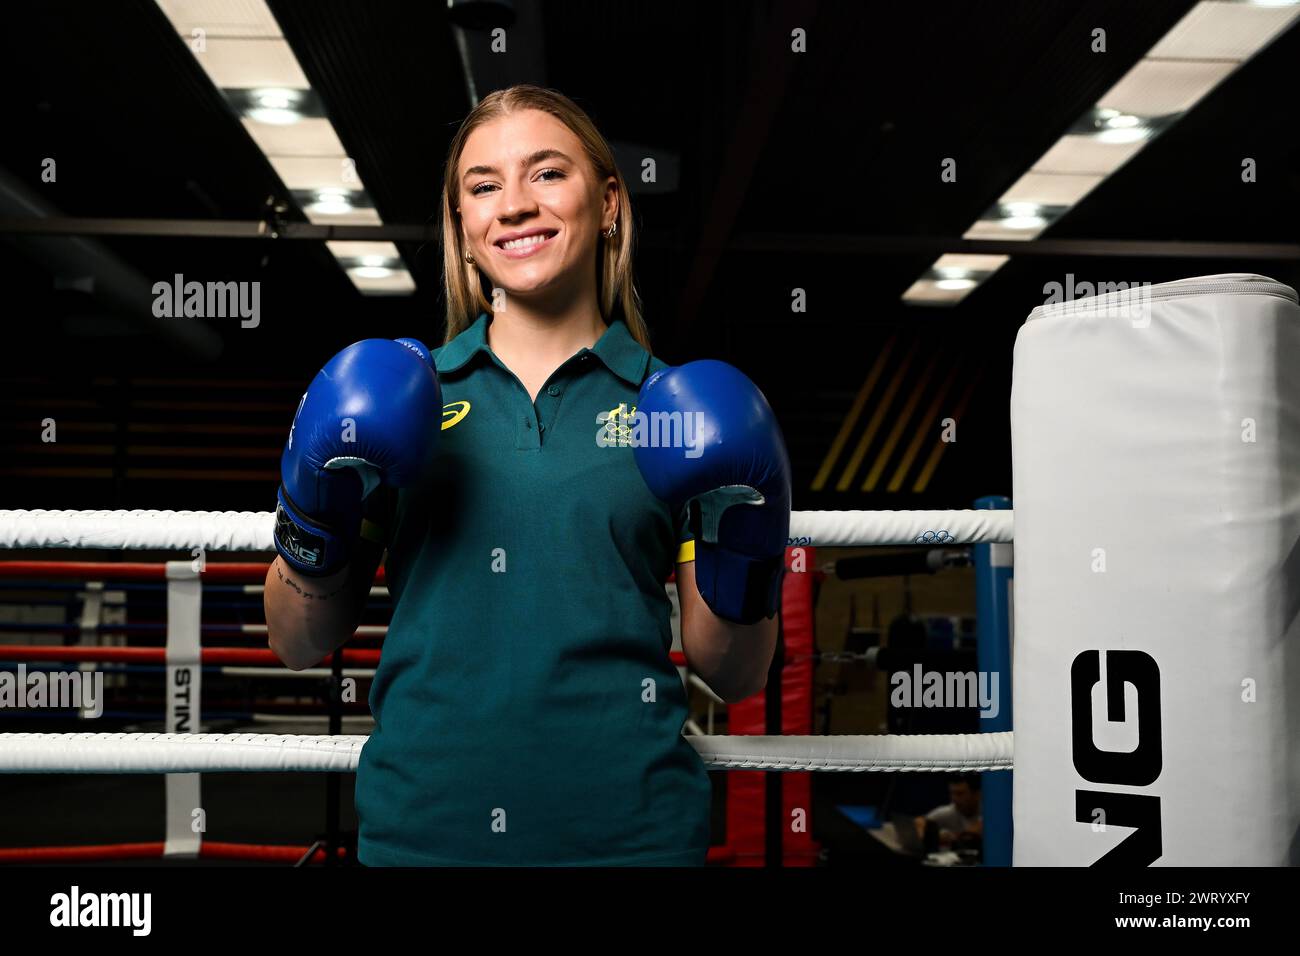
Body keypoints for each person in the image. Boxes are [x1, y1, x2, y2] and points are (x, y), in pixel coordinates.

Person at [265, 84, 792, 866]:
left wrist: (747, 529)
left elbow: (734, 671)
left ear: (608, 202)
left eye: (546, 174)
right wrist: (313, 511)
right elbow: (299, 640)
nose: (513, 205)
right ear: (464, 229)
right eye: (483, 186)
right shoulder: (402, 397)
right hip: (425, 833)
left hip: (632, 838)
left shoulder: (675, 408)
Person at [914, 774, 983, 853]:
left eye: (960, 794)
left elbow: (973, 833)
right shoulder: (950, 811)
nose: (954, 798)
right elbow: (919, 822)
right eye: (952, 793)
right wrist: (935, 836)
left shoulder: (991, 812)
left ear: (977, 794)